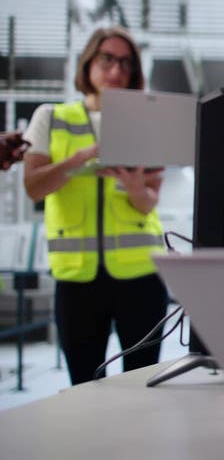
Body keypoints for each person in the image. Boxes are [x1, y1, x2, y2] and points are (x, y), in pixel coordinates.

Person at [21, 26, 168, 385]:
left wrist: (135, 187)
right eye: (107, 59)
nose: (116, 70)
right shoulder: (50, 117)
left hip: (141, 275)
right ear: (88, 62)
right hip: (77, 279)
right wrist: (80, 159)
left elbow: (149, 202)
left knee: (144, 386)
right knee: (84, 387)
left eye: (126, 63)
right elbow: (34, 187)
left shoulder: (146, 121)